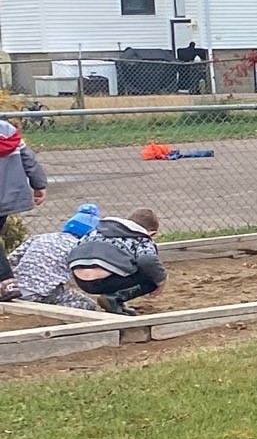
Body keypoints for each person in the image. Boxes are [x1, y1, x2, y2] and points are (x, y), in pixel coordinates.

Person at [2, 208, 164, 311]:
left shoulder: (41, 238)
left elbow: (10, 260)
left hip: (15, 290)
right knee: (86, 305)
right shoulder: (78, 245)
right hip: (44, 294)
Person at [0, 119, 49, 259]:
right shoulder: (7, 130)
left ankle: (6, 278)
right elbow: (29, 160)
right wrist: (39, 186)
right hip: (8, 197)